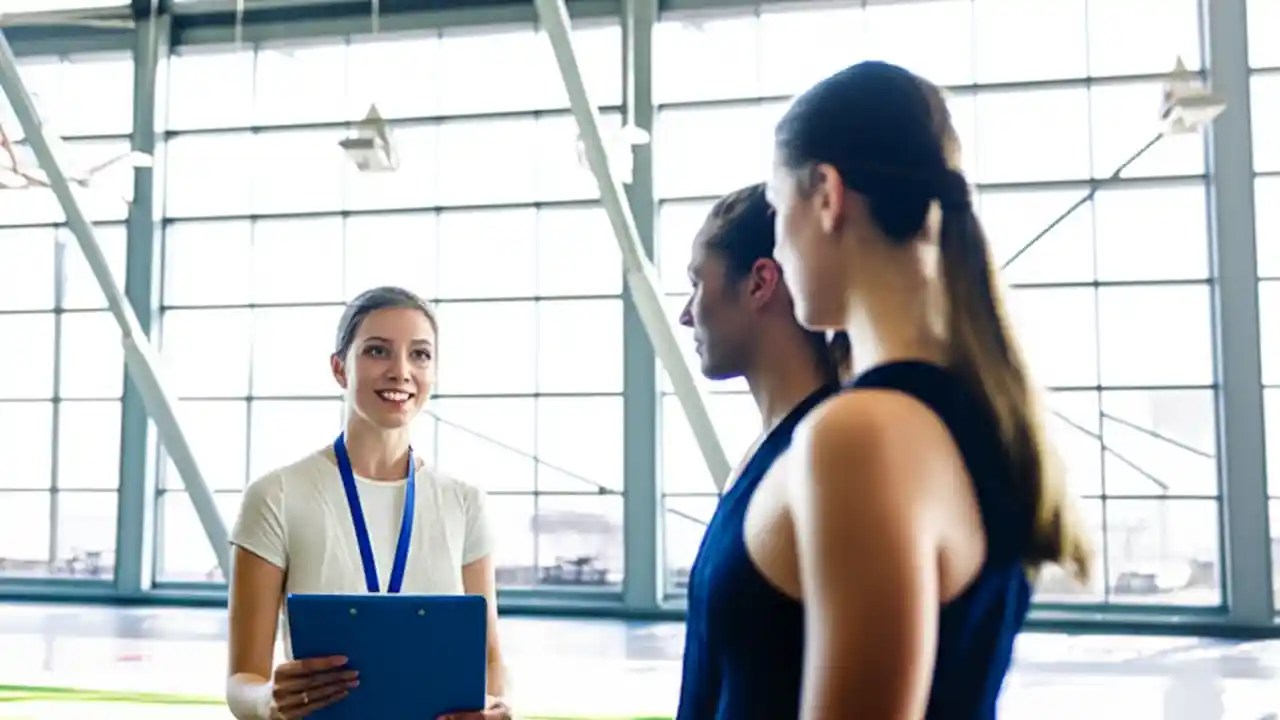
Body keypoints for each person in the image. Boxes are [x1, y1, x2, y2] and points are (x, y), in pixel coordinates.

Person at [752, 60, 1095, 718]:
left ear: (825, 195)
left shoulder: (862, 434)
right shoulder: (975, 416)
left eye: (776, 207)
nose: (776, 242)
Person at [225, 286, 513, 720]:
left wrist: (500, 708)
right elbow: (241, 681)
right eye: (378, 351)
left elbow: (490, 662)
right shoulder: (276, 496)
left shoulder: (464, 503)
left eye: (420, 355)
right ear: (339, 369)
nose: (401, 371)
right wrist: (267, 701)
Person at [673, 183, 850, 719]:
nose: (685, 315)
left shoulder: (827, 460)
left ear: (759, 282)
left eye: (696, 283)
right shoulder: (766, 455)